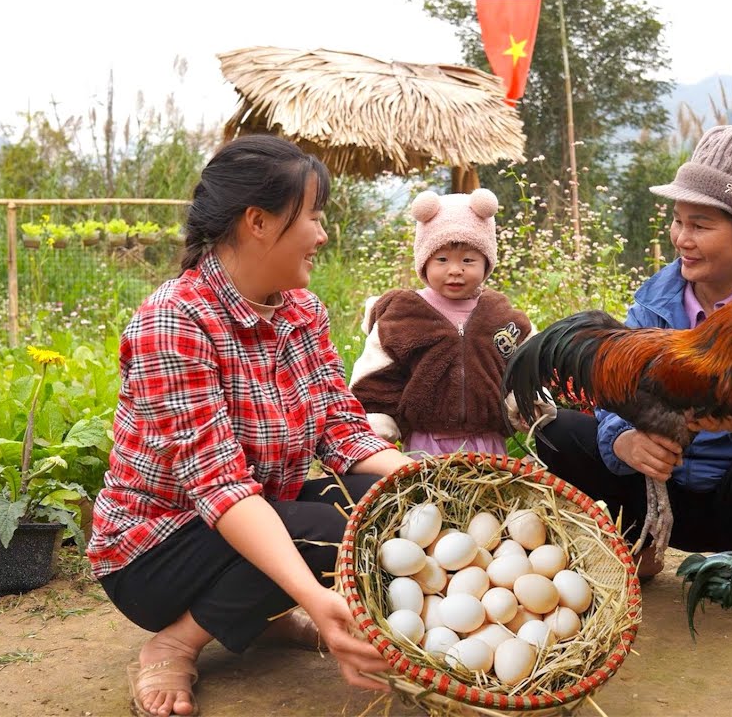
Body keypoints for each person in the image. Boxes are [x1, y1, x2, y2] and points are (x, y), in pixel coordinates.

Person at [87, 135, 410, 717]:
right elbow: (219, 488)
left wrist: (433, 481)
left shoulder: (301, 311)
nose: (321, 232)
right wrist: (314, 595)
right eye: (312, 215)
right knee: (346, 531)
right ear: (259, 222)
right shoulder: (174, 321)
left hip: (250, 513)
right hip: (158, 550)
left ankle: (261, 613)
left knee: (394, 504)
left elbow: (344, 432)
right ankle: (175, 641)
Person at [533, 125, 732, 576]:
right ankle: (635, 538)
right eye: (678, 220)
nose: (682, 238)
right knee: (555, 431)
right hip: (653, 486)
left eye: (700, 225)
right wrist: (624, 440)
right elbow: (616, 388)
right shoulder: (657, 294)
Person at [349, 188, 542, 456]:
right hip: (424, 442)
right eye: (441, 259)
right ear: (424, 262)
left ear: (487, 263)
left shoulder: (500, 315)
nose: (455, 270)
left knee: (485, 497)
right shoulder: (405, 314)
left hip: (487, 443)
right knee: (427, 497)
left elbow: (527, 364)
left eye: (468, 260)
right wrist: (377, 414)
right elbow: (377, 369)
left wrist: (525, 401)